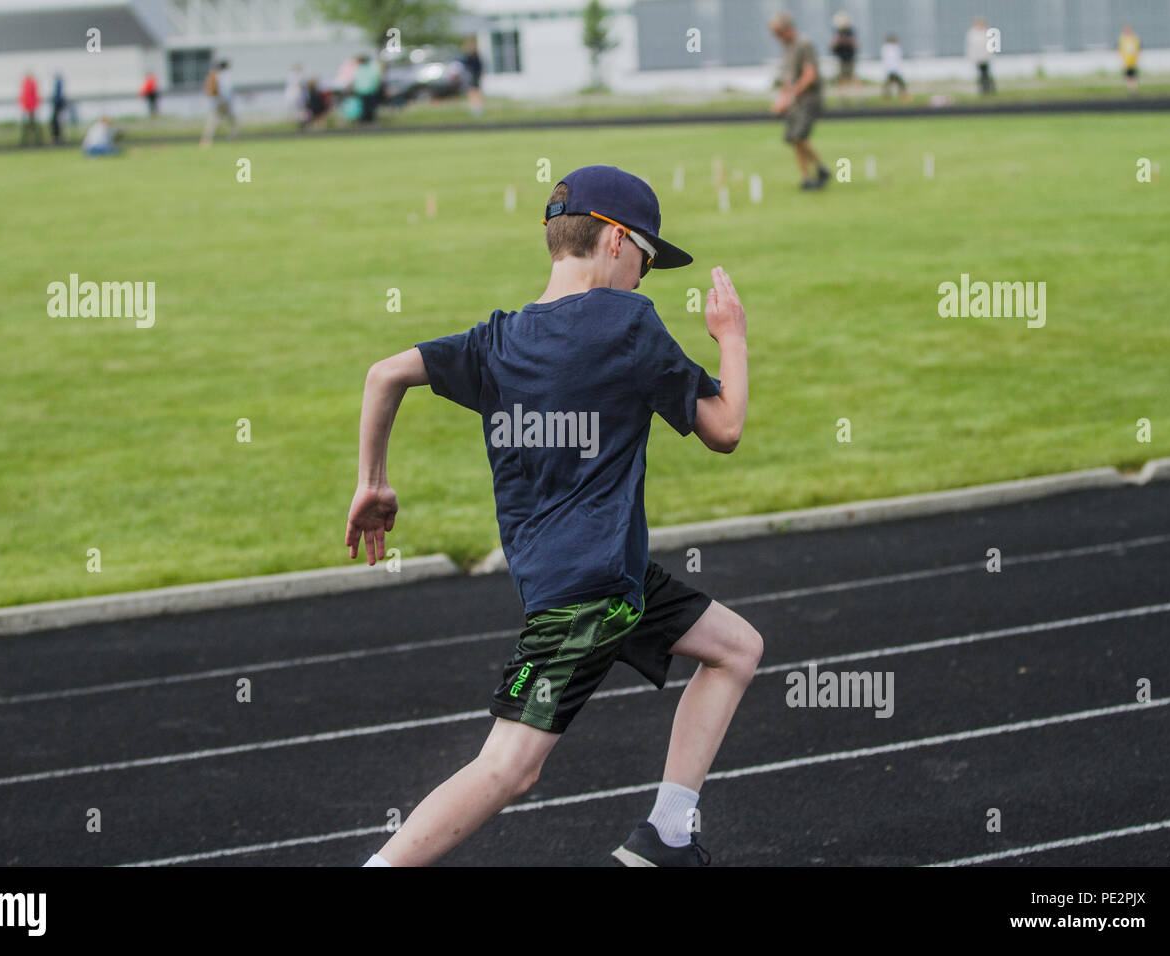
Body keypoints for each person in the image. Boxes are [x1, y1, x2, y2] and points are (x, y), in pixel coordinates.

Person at [346, 164, 760, 867]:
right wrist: (732, 336)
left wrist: (373, 484)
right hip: (589, 595)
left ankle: (666, 833)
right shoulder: (629, 323)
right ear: (618, 243)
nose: (643, 279)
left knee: (735, 649)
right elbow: (724, 427)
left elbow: (385, 373)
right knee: (510, 767)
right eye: (649, 262)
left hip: (595, 577)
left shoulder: (495, 342)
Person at [771, 10, 830, 190]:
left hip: (809, 98)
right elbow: (787, 78)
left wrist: (790, 96)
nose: (776, 37)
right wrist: (781, 99)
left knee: (799, 135)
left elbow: (809, 75)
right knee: (794, 138)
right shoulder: (787, 47)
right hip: (795, 100)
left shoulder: (804, 45)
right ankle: (808, 177)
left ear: (787, 29)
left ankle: (819, 168)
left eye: (777, 33)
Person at [201, 60, 238, 145]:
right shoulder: (224, 75)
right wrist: (224, 101)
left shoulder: (215, 75)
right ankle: (233, 138)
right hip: (223, 102)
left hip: (216, 102)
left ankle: (206, 140)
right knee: (231, 121)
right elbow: (226, 91)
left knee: (213, 122)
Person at [966, 17, 995, 95]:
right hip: (977, 58)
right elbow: (971, 47)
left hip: (985, 57)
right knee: (980, 75)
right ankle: (982, 90)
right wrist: (971, 57)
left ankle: (989, 89)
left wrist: (990, 55)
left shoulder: (986, 33)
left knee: (986, 74)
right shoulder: (972, 34)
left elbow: (990, 46)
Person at [830, 12, 857, 90]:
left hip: (849, 57)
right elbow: (833, 45)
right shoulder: (838, 33)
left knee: (852, 76)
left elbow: (854, 44)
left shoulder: (850, 32)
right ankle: (842, 94)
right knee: (841, 77)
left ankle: (856, 93)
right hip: (841, 57)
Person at [351, 55, 382, 122]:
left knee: (369, 107)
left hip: (369, 90)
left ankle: (368, 120)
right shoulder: (362, 67)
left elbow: (375, 78)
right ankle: (364, 120)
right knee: (364, 107)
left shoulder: (370, 67)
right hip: (364, 90)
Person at [461, 36, 484, 116]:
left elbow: (479, 67)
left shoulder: (474, 56)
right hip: (471, 76)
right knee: (472, 92)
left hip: (474, 76)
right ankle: (474, 108)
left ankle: (477, 108)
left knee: (475, 92)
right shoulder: (469, 56)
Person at [881, 33, 908, 99]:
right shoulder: (892, 48)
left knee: (890, 82)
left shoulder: (886, 48)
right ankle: (900, 94)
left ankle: (888, 95)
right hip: (894, 68)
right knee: (899, 83)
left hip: (891, 68)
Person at [19, 72, 41, 146]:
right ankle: (26, 141)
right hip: (27, 107)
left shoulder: (30, 84)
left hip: (30, 107)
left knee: (32, 125)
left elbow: (33, 96)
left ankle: (35, 141)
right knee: (27, 125)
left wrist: (33, 106)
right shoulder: (26, 84)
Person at [1118, 25, 1141, 92]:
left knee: (1132, 76)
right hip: (1126, 61)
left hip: (1133, 61)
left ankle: (1133, 89)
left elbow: (1138, 49)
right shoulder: (1123, 39)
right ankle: (1132, 88)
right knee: (1128, 76)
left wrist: (1137, 58)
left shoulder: (1134, 39)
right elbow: (1120, 50)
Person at [49, 73, 66, 144]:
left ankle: (57, 139)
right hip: (58, 105)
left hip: (57, 105)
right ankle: (57, 138)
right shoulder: (59, 83)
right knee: (57, 122)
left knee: (56, 123)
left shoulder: (58, 84)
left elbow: (57, 97)